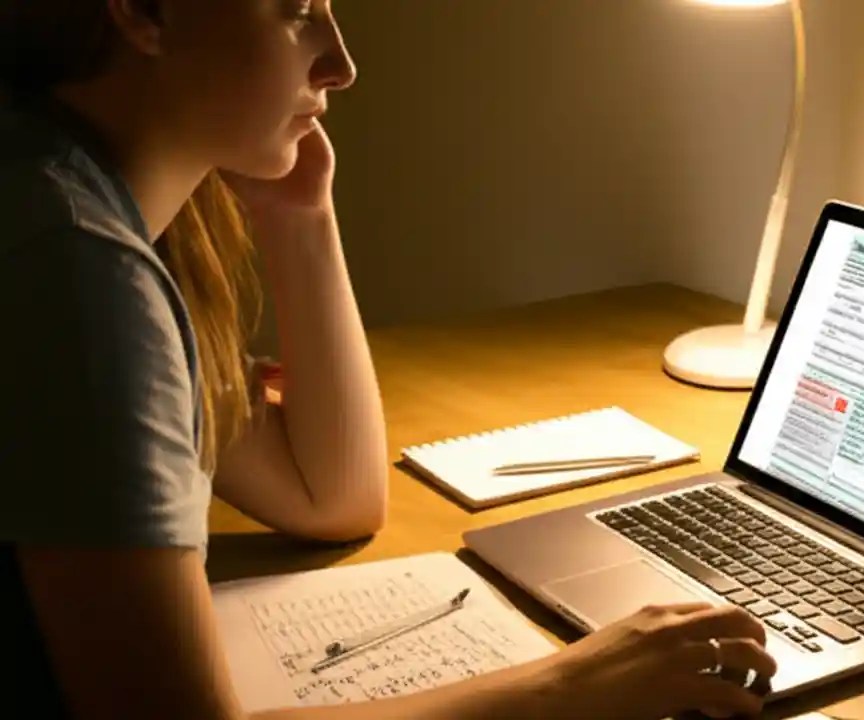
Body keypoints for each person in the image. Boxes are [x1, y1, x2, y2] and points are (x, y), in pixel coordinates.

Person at [0, 1, 778, 718]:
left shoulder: (74, 199)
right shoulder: (70, 267)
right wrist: (569, 684)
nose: (340, 63)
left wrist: (301, 217)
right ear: (141, 10)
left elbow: (329, 498)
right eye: (299, 9)